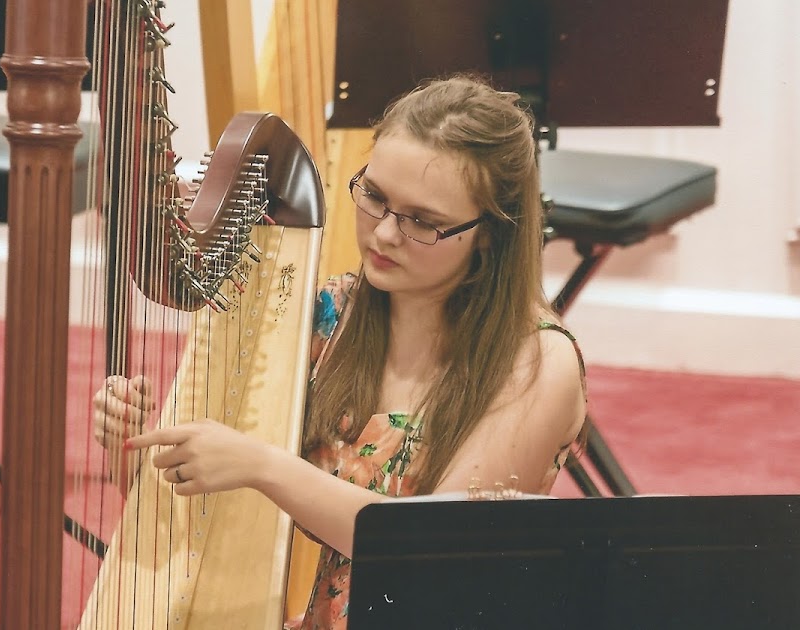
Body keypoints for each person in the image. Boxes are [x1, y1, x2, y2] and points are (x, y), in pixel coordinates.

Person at [92, 75, 588, 630]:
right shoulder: (333, 316)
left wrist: (260, 464)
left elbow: (433, 558)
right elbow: (203, 518)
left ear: (491, 232)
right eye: (374, 196)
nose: (384, 234)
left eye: (423, 221)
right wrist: (137, 446)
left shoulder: (537, 363)